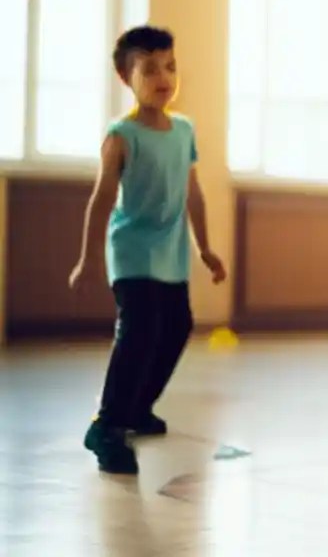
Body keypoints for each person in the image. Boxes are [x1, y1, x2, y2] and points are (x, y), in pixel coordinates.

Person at [70, 26, 226, 475]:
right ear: (126, 77)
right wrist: (89, 257)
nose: (164, 77)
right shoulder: (122, 135)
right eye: (151, 69)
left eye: (170, 67)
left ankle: (137, 406)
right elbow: (102, 198)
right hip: (133, 252)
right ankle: (108, 425)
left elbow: (193, 193)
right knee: (138, 333)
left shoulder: (183, 130)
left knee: (177, 326)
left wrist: (205, 248)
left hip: (171, 252)